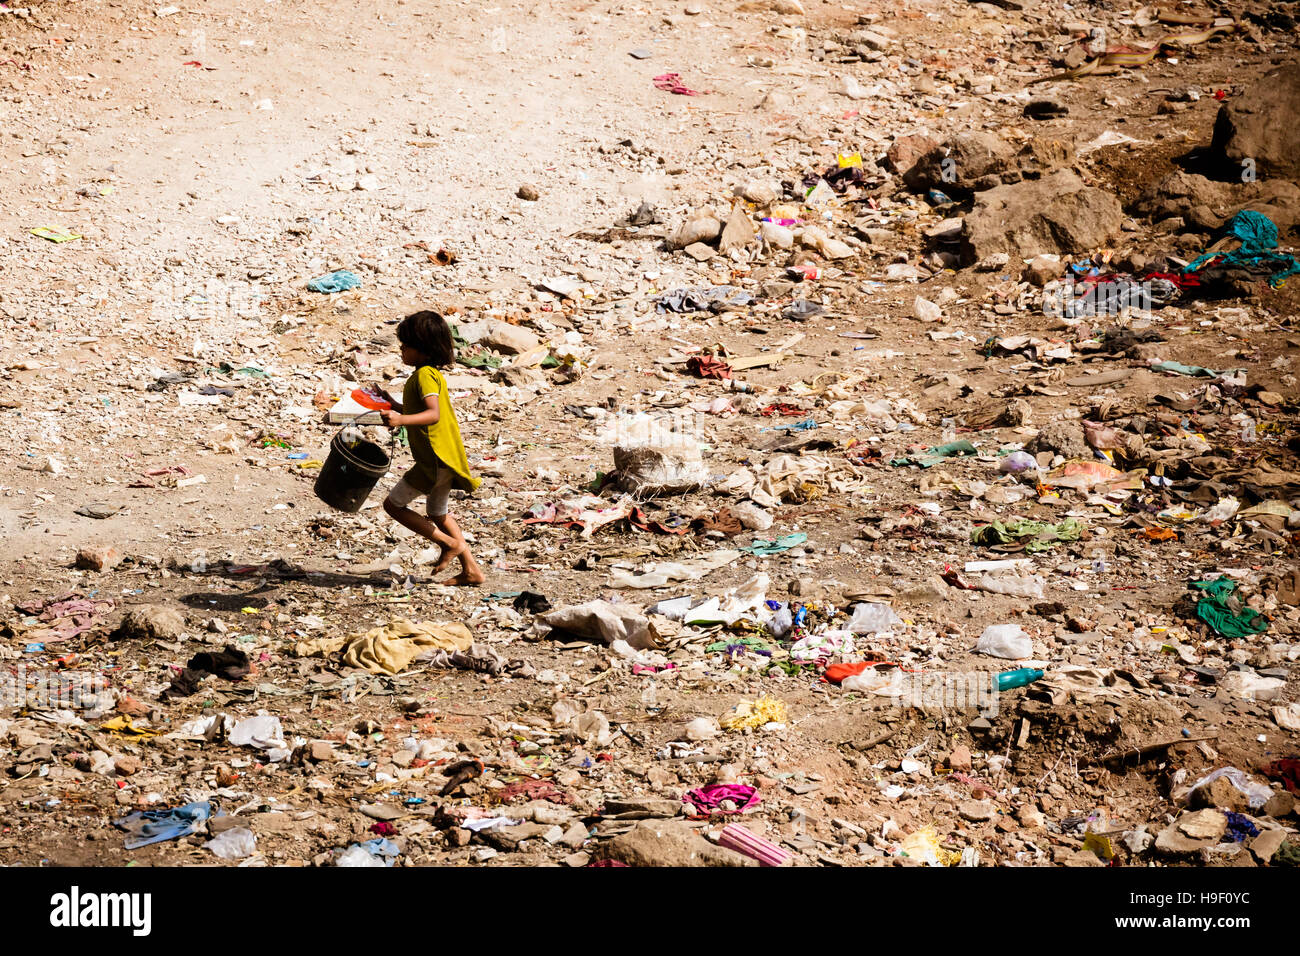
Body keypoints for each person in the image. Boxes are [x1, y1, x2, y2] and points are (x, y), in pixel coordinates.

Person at [376, 310, 485, 586]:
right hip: (444, 459)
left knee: (393, 505)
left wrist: (400, 419)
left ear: (422, 350)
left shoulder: (424, 375)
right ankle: (472, 570)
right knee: (438, 513)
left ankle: (448, 543)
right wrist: (393, 404)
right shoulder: (428, 374)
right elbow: (420, 410)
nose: (401, 350)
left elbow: (433, 414)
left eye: (406, 346)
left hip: (433, 460)